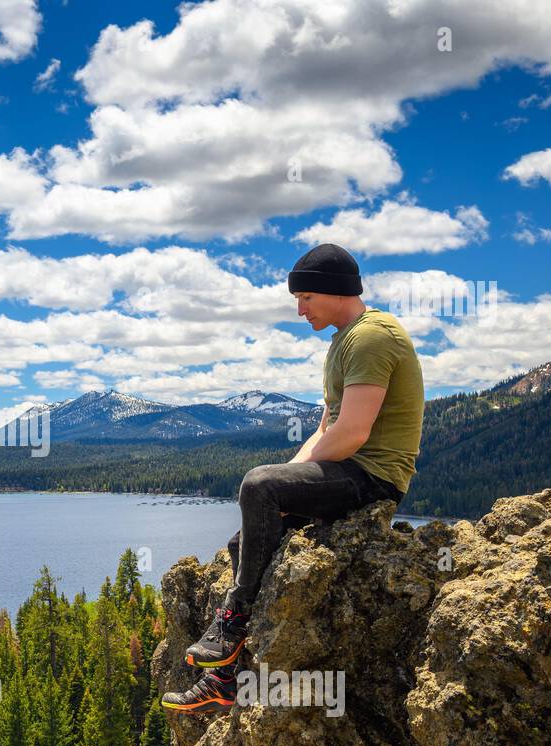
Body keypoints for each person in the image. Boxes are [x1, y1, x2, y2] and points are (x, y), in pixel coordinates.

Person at [162, 243, 425, 714]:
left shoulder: (372, 337)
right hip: (345, 471)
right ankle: (225, 680)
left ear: (333, 290)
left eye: (305, 297)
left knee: (258, 484)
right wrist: (292, 481)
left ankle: (233, 619)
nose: (299, 309)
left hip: (373, 479)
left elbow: (353, 432)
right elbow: (324, 429)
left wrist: (279, 486)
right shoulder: (342, 341)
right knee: (248, 542)